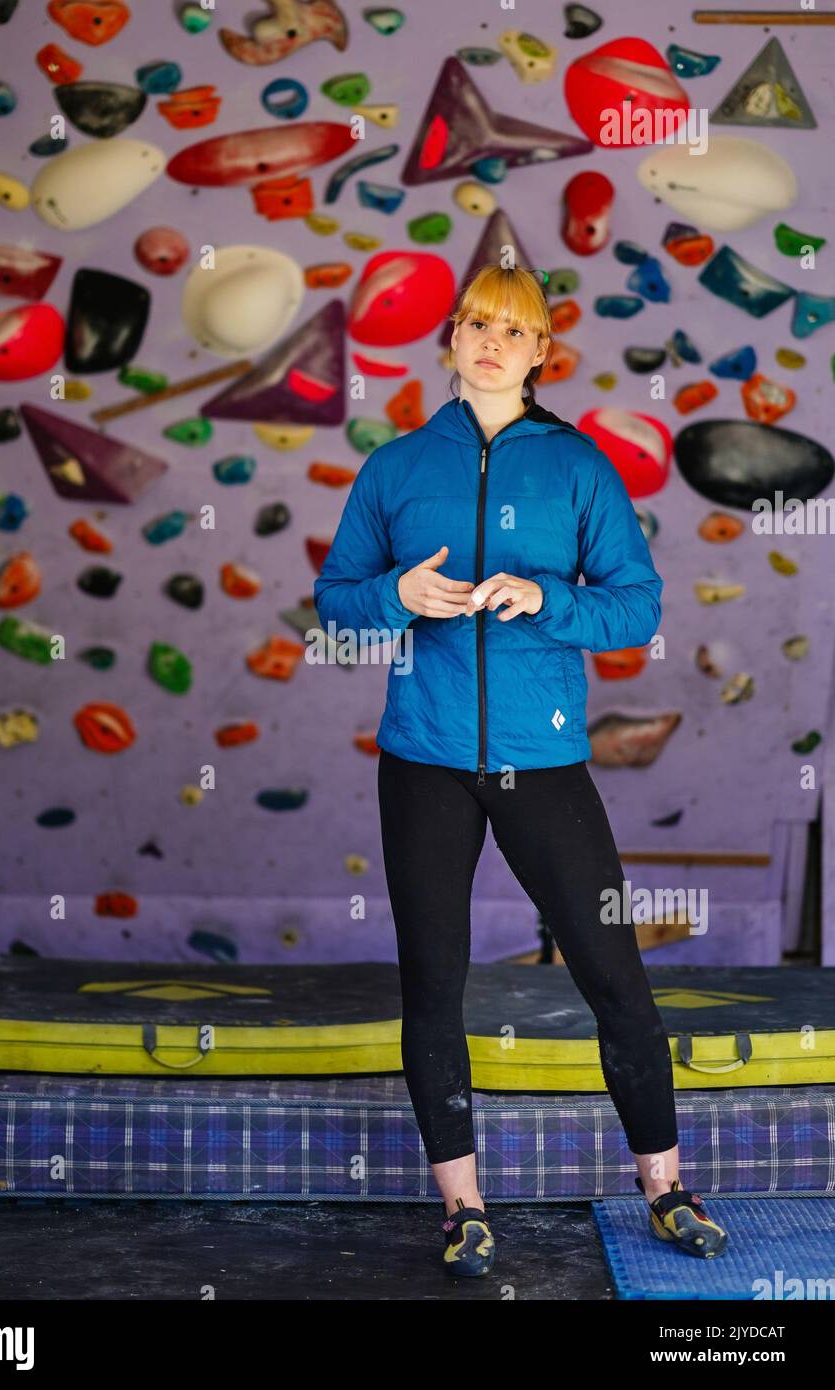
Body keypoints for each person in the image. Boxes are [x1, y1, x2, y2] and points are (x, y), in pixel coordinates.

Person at [314, 264, 728, 1276]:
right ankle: (461, 1209)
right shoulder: (398, 466)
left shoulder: (578, 466)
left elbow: (635, 608)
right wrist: (398, 595)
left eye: (515, 330)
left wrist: (546, 597)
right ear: (449, 338)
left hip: (544, 764)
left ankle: (665, 1188)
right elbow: (334, 605)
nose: (493, 342)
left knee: (616, 978)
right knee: (433, 987)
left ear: (543, 352)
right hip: (423, 760)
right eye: (476, 325)